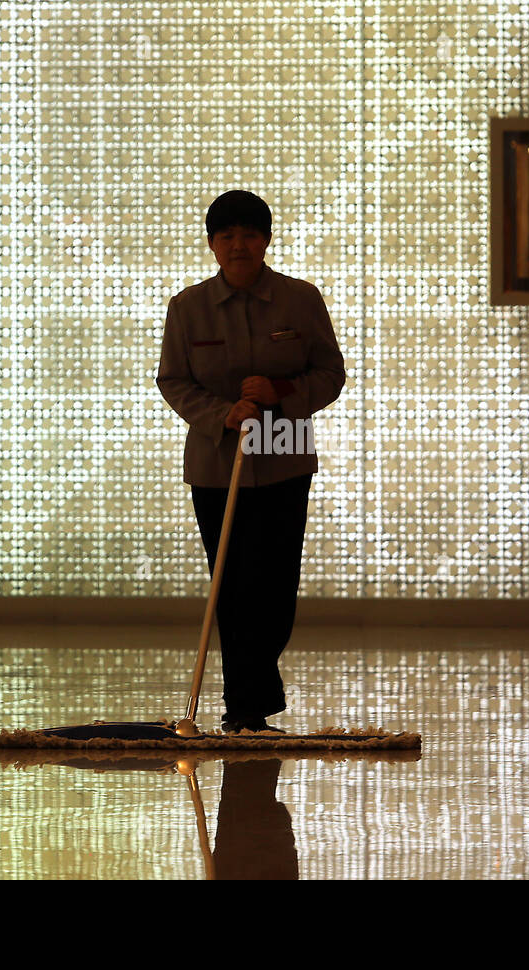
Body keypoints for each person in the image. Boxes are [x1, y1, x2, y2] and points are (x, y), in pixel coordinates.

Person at [156, 190, 345, 733]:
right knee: (232, 584)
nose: (239, 245)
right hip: (219, 461)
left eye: (250, 234)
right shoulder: (188, 307)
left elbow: (330, 374)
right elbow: (173, 380)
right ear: (213, 245)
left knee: (275, 584)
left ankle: (252, 694)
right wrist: (224, 412)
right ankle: (247, 708)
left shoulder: (300, 300)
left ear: (266, 239)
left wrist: (281, 390)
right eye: (227, 236)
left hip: (282, 451)